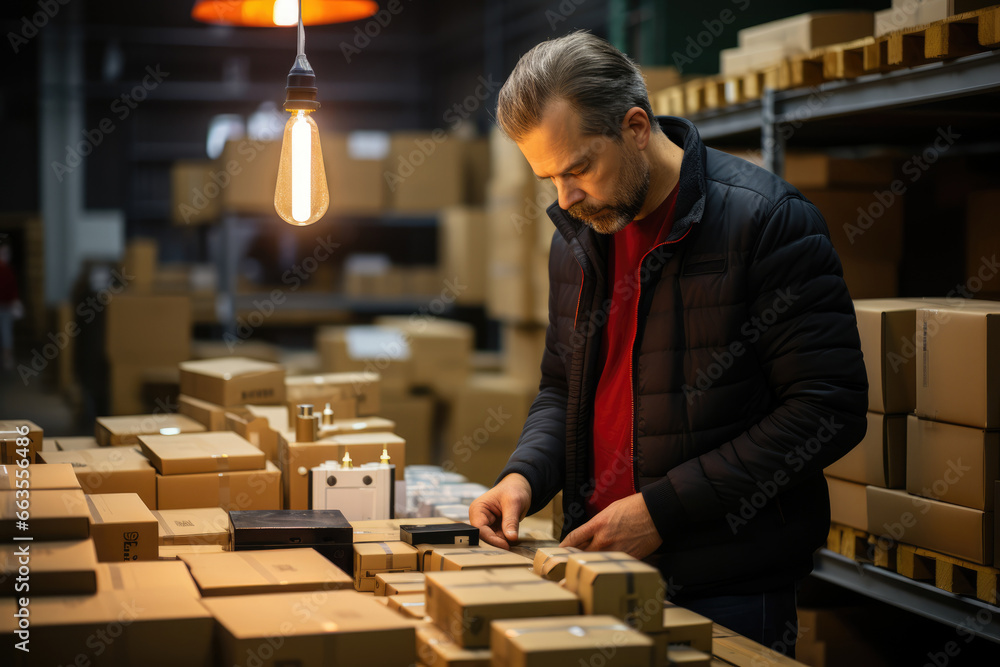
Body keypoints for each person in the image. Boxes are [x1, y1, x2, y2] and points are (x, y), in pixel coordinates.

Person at [469, 31, 868, 655]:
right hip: (596, 567)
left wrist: (661, 511)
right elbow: (561, 386)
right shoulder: (578, 238)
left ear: (634, 127)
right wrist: (524, 475)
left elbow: (826, 408)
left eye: (577, 169)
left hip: (728, 584)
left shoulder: (766, 222)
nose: (565, 200)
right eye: (548, 179)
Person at [0, 243, 21, 371]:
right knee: (6, 333)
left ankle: (7, 359)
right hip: (7, 306)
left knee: (6, 333)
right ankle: (7, 360)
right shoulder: (8, 270)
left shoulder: (8, 270)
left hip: (6, 307)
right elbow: (13, 290)